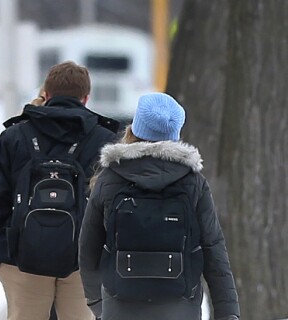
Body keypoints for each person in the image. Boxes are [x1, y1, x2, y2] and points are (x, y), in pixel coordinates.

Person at [78, 93, 240, 320]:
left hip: (120, 305)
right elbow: (213, 249)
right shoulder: (192, 182)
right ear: (175, 133)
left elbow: (88, 247)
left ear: (134, 128)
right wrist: (228, 313)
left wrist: (97, 302)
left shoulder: (110, 178)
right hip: (179, 306)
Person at [0, 61, 119, 320]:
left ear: (47, 94)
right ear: (85, 98)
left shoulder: (14, 136)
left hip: (22, 257)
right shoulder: (104, 140)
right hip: (83, 258)